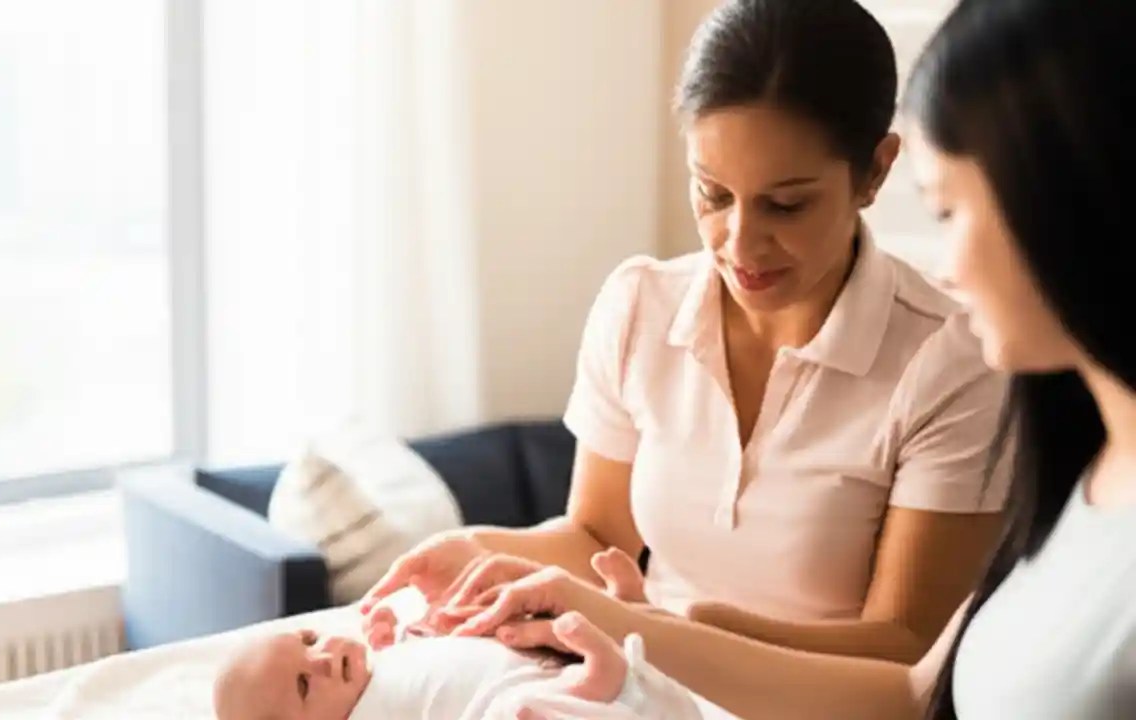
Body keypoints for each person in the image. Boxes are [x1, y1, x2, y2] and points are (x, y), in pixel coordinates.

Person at [405, 1, 1136, 718]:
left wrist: (659, 626)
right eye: (712, 194)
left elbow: (905, 665)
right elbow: (598, 535)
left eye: (786, 205)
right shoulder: (639, 304)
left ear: (874, 173)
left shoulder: (954, 358)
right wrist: (474, 552)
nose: (740, 244)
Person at [212, 556, 711, 720]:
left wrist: (414, 629)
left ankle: (625, 612)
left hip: (553, 664)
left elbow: (441, 647)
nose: (323, 657)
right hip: (530, 703)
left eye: (308, 639)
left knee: (515, 628)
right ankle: (600, 676)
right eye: (304, 685)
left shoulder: (382, 659)